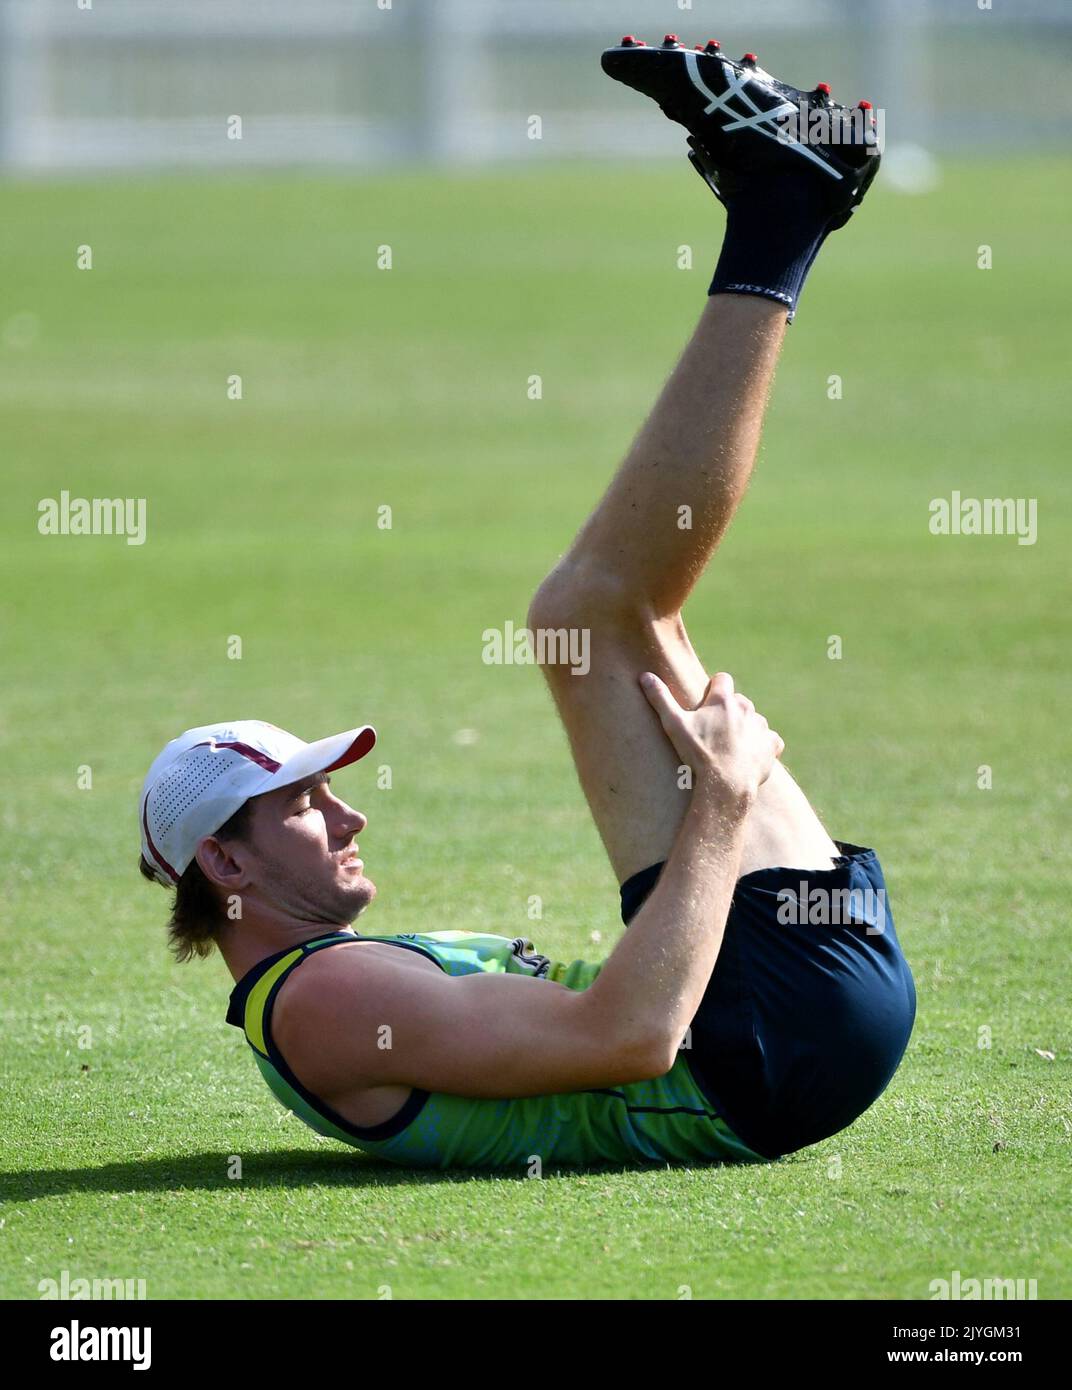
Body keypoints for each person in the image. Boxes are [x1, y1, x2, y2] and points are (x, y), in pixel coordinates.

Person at [139, 37, 914, 1170]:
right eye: (304, 803)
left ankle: (786, 199)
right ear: (230, 866)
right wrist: (715, 803)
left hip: (784, 1019)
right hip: (761, 1050)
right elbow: (636, 1036)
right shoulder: (321, 1000)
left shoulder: (324, 983)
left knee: (632, 619)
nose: (350, 814)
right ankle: (783, 207)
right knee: (586, 614)